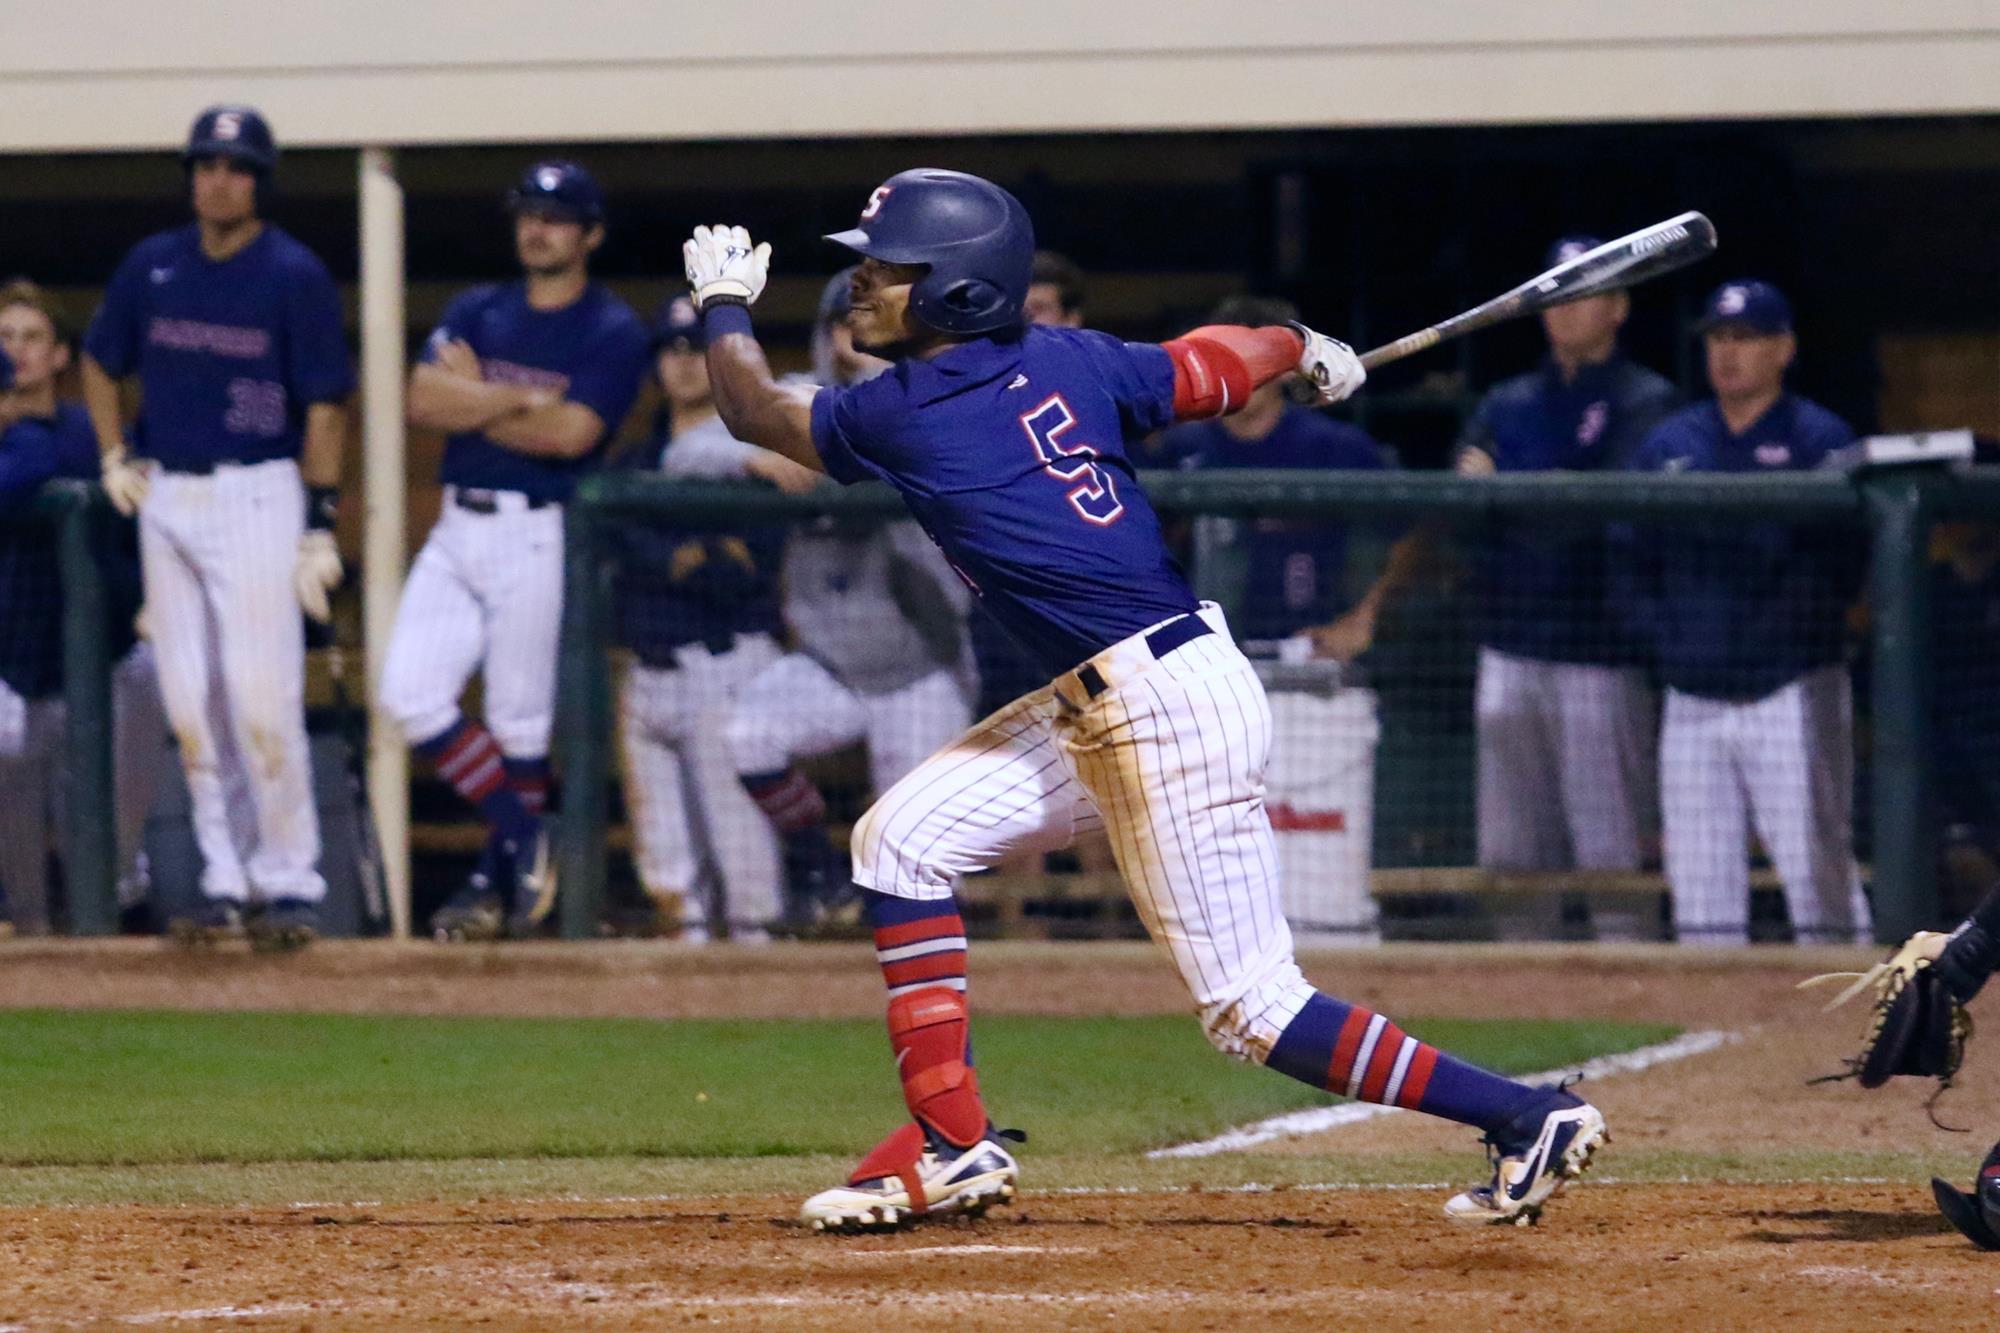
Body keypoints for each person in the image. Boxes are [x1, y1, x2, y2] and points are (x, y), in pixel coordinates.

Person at [683, 168, 1607, 1232]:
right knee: (898, 841)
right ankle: (951, 1143)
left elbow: (750, 407)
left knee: (1253, 1012)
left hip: (1158, 710)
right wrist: (1299, 344)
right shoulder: (1070, 357)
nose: (859, 288)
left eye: (887, 272)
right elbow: (1215, 363)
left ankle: (1521, 1114)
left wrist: (720, 304)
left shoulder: (908, 409)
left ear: (961, 293)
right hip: (1116, 693)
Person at [80, 105, 353, 948]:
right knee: (191, 702)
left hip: (258, 489)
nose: (217, 180)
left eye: (234, 167)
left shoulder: (292, 272)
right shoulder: (153, 264)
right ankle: (224, 879)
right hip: (169, 491)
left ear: (258, 181)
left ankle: (291, 882)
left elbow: (325, 403)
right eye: (205, 165)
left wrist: (319, 520)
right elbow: (98, 358)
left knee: (261, 695)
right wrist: (112, 452)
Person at [381, 160, 649, 942]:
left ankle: (496, 884)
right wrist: (520, 399)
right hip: (458, 525)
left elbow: (572, 436)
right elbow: (421, 398)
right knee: (409, 694)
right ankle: (527, 837)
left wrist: (476, 404)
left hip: (541, 529)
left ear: (590, 234)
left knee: (518, 722)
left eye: (557, 216)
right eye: (529, 213)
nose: (538, 227)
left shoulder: (611, 329)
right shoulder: (479, 306)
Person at [726, 270, 976, 931]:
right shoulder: (797, 403)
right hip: (831, 668)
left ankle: (945, 970)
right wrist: (750, 454)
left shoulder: (929, 399)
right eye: (846, 318)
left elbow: (877, 430)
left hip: (924, 671)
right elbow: (688, 447)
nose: (857, 330)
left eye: (874, 316)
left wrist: (815, 442)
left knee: (914, 854)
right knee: (749, 735)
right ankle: (821, 874)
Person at [1622, 280, 1870, 944]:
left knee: (1819, 874)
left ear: (1783, 348)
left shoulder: (1819, 437)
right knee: (1701, 891)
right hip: (1692, 695)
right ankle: (1714, 1026)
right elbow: (1630, 557)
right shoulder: (1671, 441)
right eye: (1719, 339)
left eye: (1747, 338)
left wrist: (1794, 635)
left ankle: (1857, 1016)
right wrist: (1666, 639)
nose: (1729, 354)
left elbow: (1849, 562)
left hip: (1790, 692)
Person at [1457, 235, 1681, 884]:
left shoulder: (1647, 400)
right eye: (1555, 294)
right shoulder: (1508, 400)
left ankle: (1629, 978)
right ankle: (1522, 986)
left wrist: (1509, 488)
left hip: (1600, 652)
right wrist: (1541, 491)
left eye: (1581, 294)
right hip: (1509, 643)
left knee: (1608, 850)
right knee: (1511, 855)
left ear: (1618, 306)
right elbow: (1463, 501)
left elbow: (1602, 515)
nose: (1563, 309)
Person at [612, 295, 816, 941]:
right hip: (646, 671)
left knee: (745, 867)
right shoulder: (635, 462)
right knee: (670, 874)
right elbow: (622, 549)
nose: (682, 361)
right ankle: (685, 1014)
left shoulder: (758, 455)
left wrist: (677, 555)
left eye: (696, 347)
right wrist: (685, 553)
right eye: (670, 348)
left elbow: (744, 566)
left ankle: (766, 1002)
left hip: (725, 664)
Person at [0, 281, 165, 933]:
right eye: (4, 338)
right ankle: (30, 925)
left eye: (31, 337)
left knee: (145, 679)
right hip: (10, 663)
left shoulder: (90, 434)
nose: (16, 351)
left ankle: (125, 899)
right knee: (12, 781)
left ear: (61, 355)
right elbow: (22, 476)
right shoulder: (27, 441)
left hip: (99, 660)